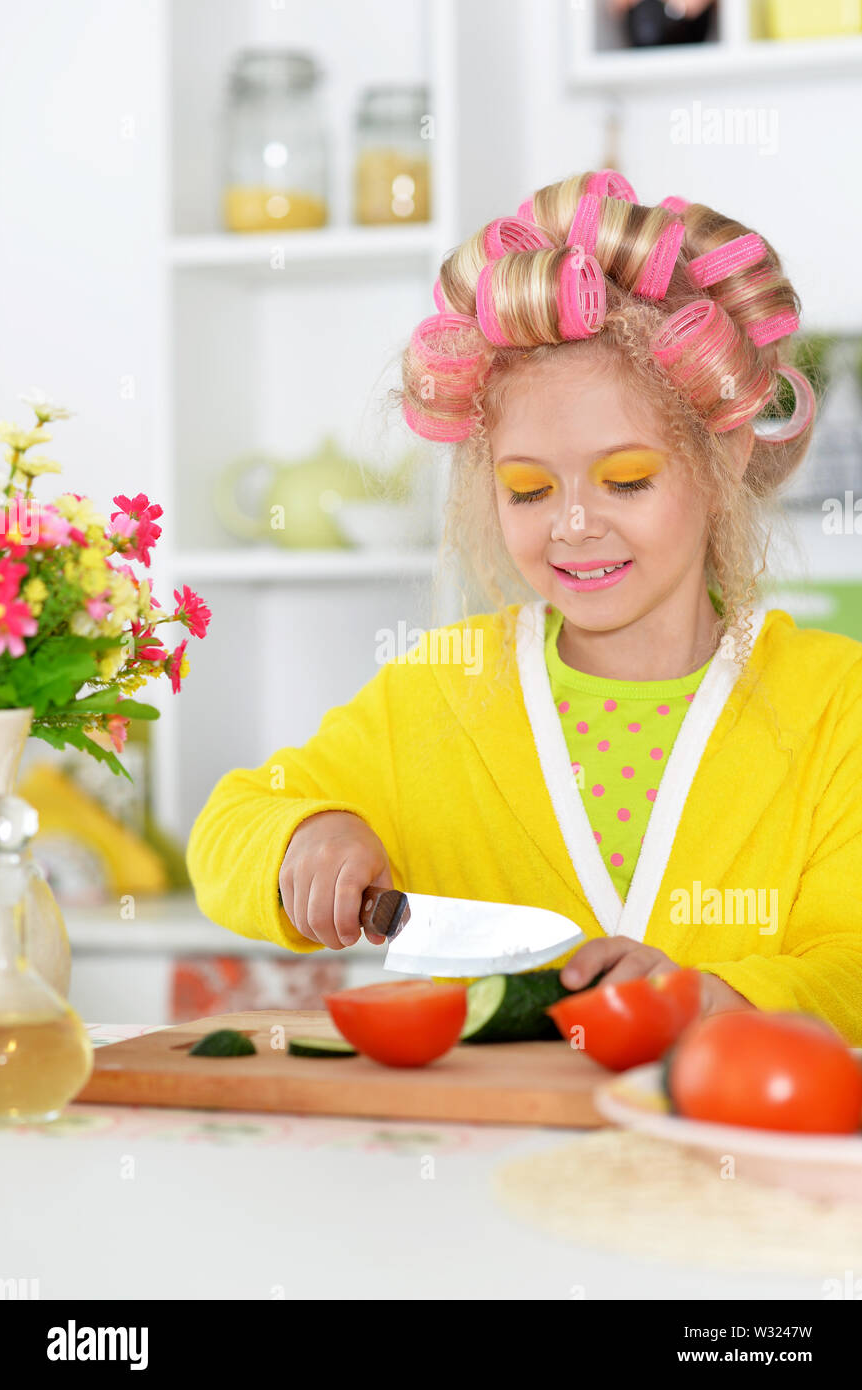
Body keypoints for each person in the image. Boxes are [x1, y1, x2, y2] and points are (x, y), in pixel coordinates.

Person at [186, 167, 862, 1041]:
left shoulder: (834, 705)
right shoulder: (443, 688)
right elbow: (229, 824)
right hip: (481, 1159)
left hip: (734, 1155)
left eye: (624, 479)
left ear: (724, 457)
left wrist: (716, 996)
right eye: (529, 491)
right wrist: (307, 835)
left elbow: (847, 958)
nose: (574, 526)